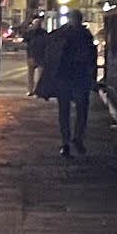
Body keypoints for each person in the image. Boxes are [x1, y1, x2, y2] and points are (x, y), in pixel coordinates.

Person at [33, 11, 99, 157]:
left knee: (67, 111)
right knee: (78, 110)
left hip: (68, 76)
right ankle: (73, 140)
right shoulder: (84, 35)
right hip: (74, 76)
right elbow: (91, 58)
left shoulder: (62, 34)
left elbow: (46, 50)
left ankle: (69, 141)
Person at [23, 17, 48, 95]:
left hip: (33, 55)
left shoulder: (30, 33)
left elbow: (25, 39)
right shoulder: (43, 33)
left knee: (32, 75)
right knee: (38, 75)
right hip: (39, 56)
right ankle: (36, 91)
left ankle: (32, 90)